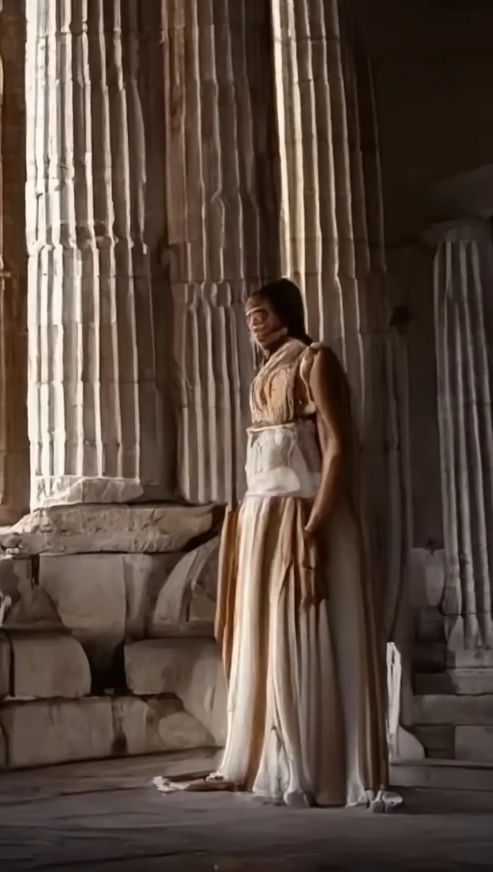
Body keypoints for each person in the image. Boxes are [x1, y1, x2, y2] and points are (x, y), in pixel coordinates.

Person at [155, 278, 398, 809]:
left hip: (303, 510)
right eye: (248, 316)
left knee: (301, 628)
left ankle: (312, 765)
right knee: (263, 637)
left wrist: (316, 522)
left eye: (260, 312)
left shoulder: (315, 360)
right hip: (262, 514)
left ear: (285, 311)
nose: (252, 322)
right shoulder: (265, 372)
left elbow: (337, 447)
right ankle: (271, 756)